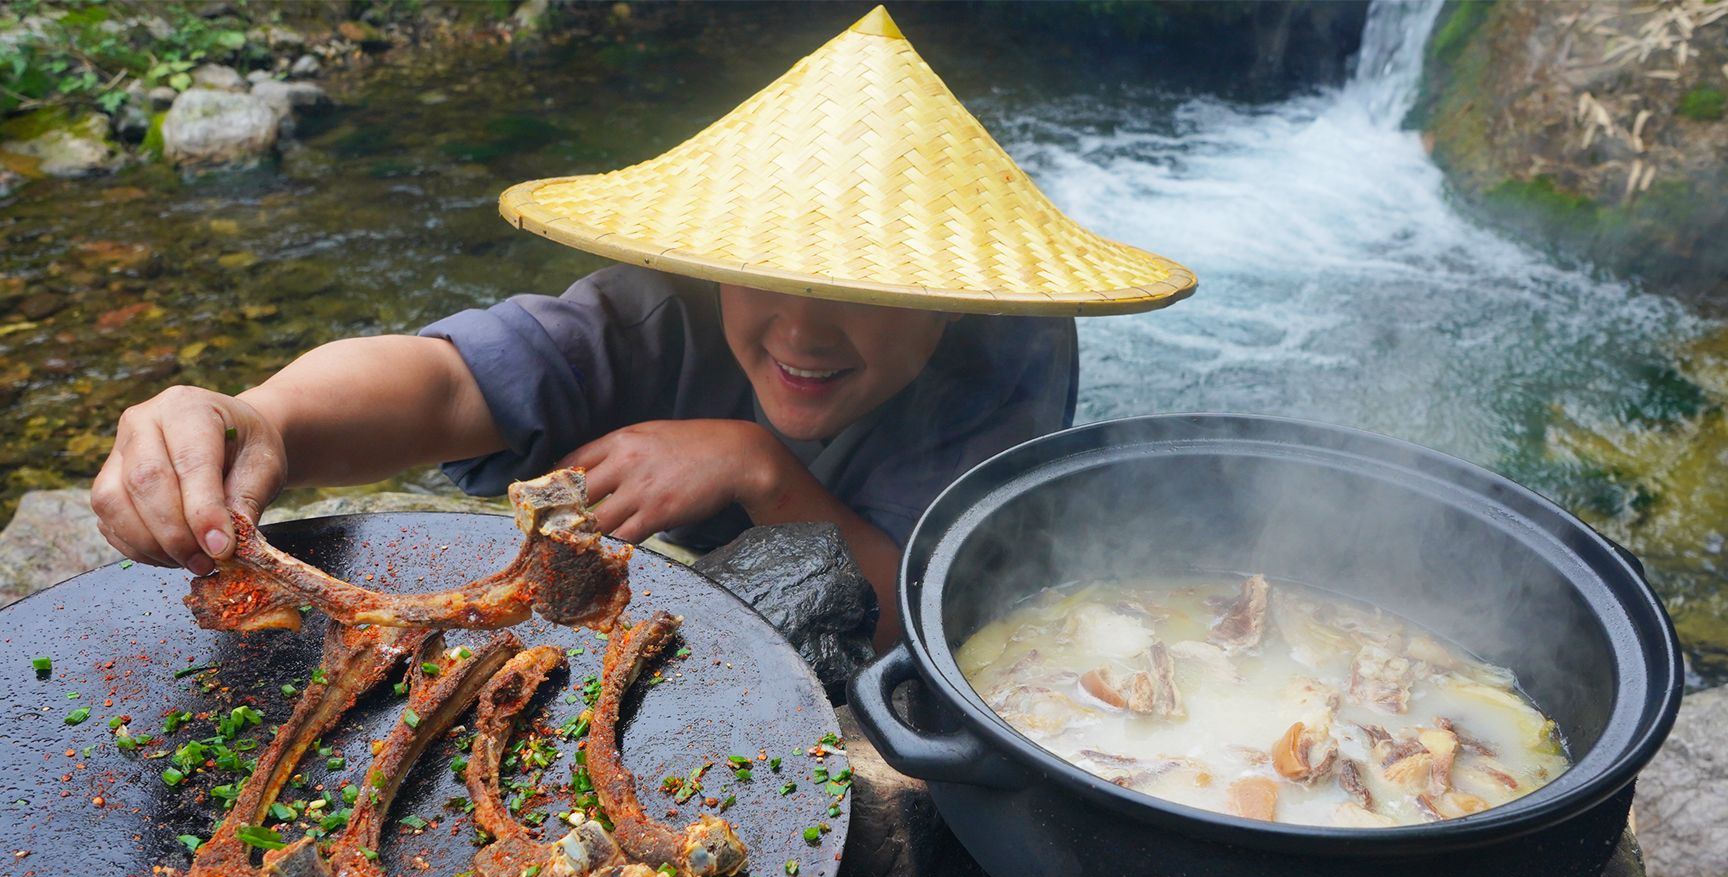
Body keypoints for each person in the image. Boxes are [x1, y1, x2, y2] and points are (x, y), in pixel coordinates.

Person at [90, 6, 1194, 649]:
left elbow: (943, 614)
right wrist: (261, 417)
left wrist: (758, 469)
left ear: (950, 297)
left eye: (863, 289)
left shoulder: (1009, 354)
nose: (802, 331)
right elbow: (446, 383)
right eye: (766, 276)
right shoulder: (664, 311)